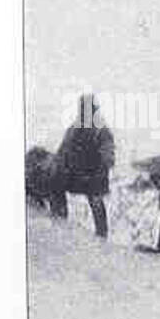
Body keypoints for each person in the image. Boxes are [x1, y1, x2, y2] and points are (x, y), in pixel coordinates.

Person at [49, 93, 115, 238]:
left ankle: (102, 235)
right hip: (75, 175)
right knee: (56, 183)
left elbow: (109, 155)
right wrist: (60, 169)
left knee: (96, 199)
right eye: (84, 110)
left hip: (93, 177)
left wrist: (103, 165)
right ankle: (59, 224)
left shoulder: (101, 130)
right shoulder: (74, 129)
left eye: (89, 110)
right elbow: (62, 152)